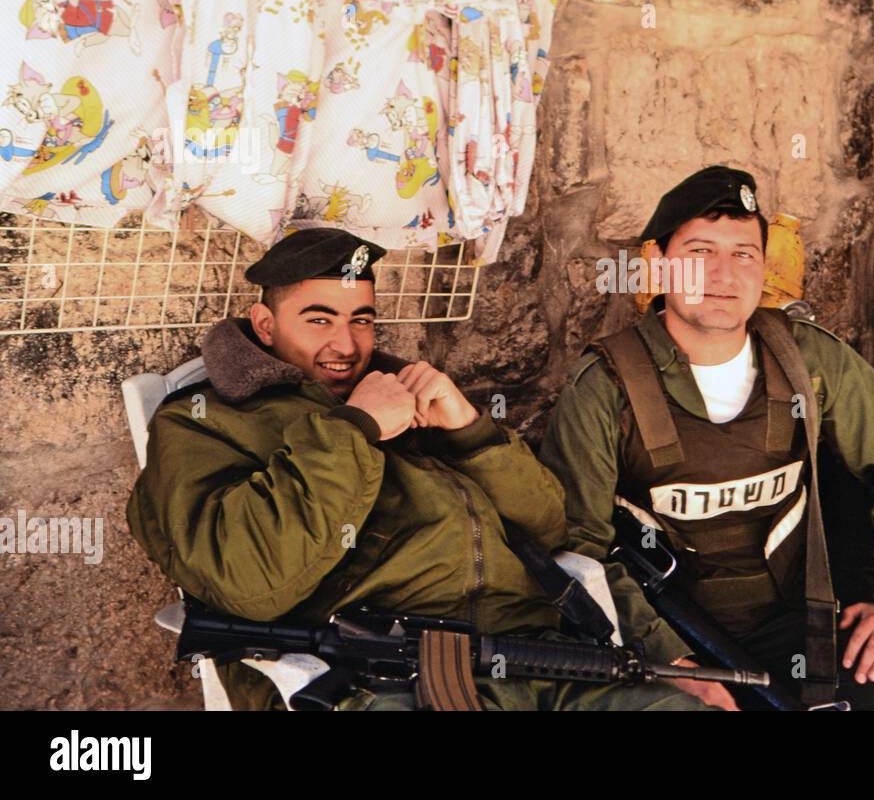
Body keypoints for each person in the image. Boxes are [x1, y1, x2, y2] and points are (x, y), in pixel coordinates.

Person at [126, 227, 710, 711]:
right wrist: (355, 430)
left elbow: (548, 528)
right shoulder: (203, 422)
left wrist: (469, 431)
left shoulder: (396, 390)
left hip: (534, 650)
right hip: (377, 677)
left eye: (361, 320)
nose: (346, 344)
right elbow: (249, 579)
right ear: (264, 324)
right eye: (319, 319)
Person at [540, 166, 874, 711]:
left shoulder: (811, 361)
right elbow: (576, 550)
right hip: (669, 636)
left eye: (743, 254)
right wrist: (669, 662)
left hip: (800, 625)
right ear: (657, 263)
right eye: (701, 252)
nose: (723, 274)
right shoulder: (604, 388)